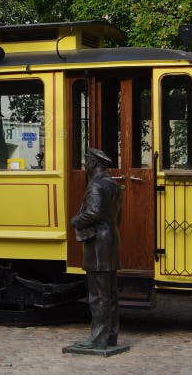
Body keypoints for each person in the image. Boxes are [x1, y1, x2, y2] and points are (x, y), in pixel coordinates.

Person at [70, 147, 122, 349]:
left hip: (98, 243)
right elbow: (118, 216)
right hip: (111, 240)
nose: (85, 164)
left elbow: (93, 212)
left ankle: (98, 338)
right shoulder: (113, 184)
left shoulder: (95, 186)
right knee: (110, 293)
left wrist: (76, 220)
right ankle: (110, 336)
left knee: (97, 295)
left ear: (93, 162)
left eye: (87, 160)